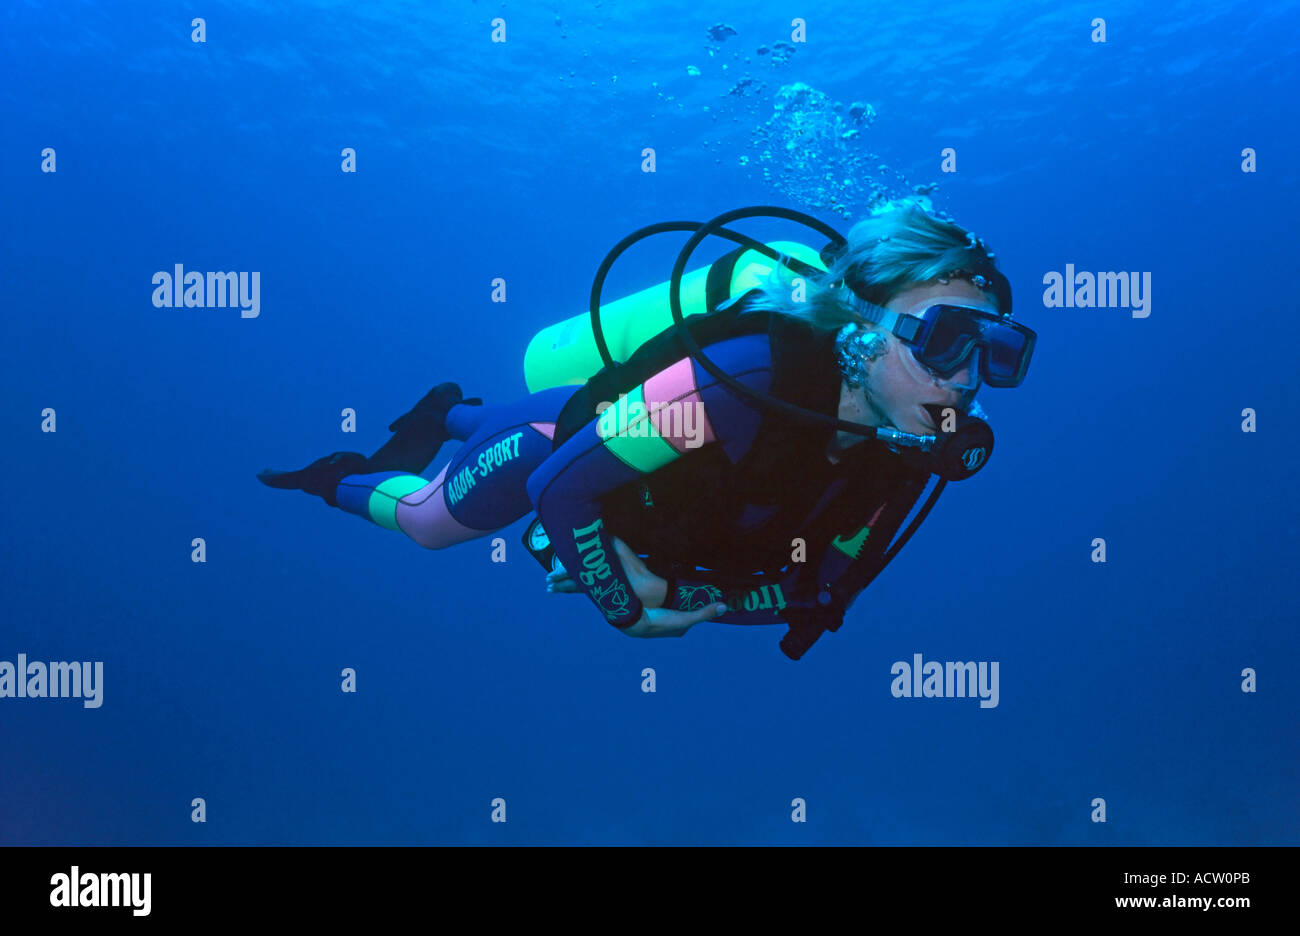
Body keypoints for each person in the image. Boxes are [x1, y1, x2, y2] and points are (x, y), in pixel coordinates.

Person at [258, 203, 1035, 654]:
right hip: (564, 437)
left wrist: (684, 591)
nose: (965, 378)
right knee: (430, 524)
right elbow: (558, 489)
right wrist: (627, 607)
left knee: (491, 435)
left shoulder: (907, 449)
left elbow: (818, 595)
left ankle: (451, 410)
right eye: (942, 338)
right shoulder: (749, 383)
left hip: (639, 476)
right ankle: (345, 467)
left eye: (994, 351)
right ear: (860, 331)